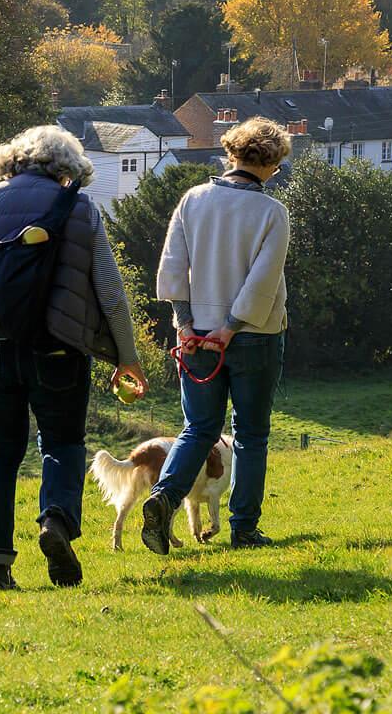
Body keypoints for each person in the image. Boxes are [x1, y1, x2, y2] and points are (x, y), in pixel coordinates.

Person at [0, 125, 148, 591]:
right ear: (67, 168)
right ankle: (57, 523)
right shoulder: (80, 209)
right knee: (62, 443)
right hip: (60, 346)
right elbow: (110, 290)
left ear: (15, 162)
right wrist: (128, 356)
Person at [139, 116, 292, 554]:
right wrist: (230, 329)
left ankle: (164, 498)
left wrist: (186, 324)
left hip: (195, 335)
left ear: (231, 153)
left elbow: (171, 267)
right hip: (256, 334)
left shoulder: (193, 199)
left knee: (199, 428)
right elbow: (263, 280)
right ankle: (244, 528)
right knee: (251, 435)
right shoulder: (271, 212)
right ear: (272, 164)